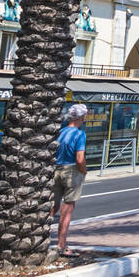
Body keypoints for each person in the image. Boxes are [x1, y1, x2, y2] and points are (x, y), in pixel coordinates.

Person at [51, 104, 88, 257]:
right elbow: (80, 159)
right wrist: (84, 171)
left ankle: (40, 239)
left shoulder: (60, 132)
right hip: (71, 171)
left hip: (56, 169)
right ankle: (61, 245)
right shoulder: (79, 134)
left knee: (52, 207)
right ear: (81, 117)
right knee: (67, 210)